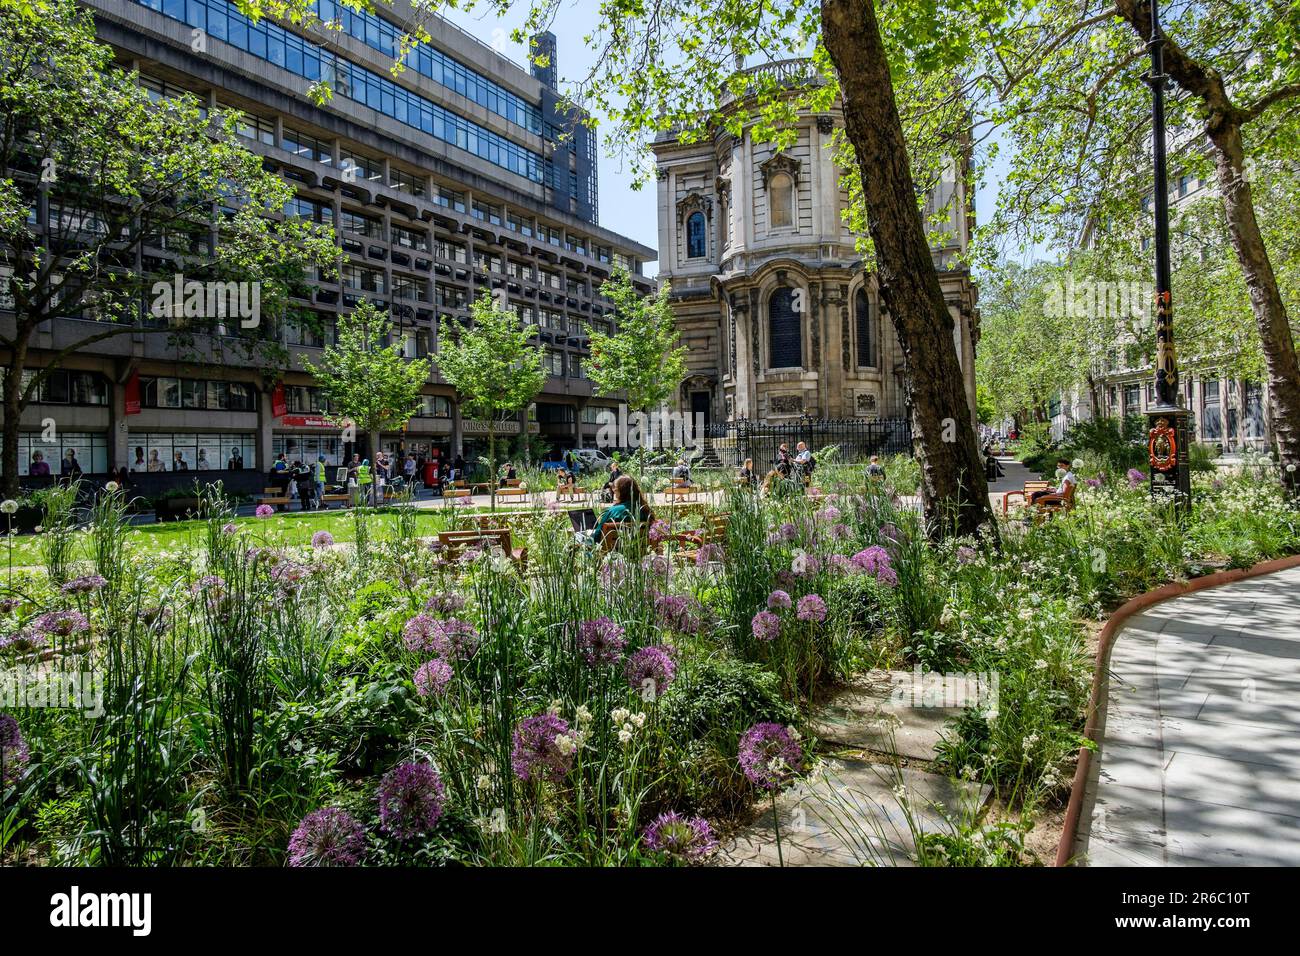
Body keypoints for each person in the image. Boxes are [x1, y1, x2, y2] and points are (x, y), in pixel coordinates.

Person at [587, 474, 654, 547]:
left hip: (613, 555)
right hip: (641, 553)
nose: (614, 492)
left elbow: (597, 537)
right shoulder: (645, 510)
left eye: (615, 490)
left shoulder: (613, 511)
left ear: (620, 492)